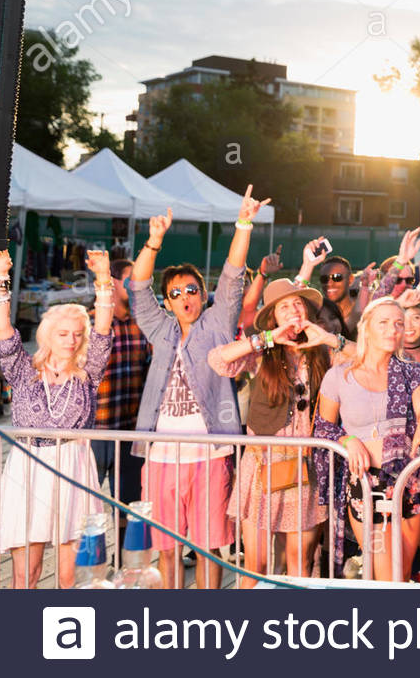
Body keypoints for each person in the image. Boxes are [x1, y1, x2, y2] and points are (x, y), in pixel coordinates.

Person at [129, 187, 268, 589]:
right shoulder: (160, 329)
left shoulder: (216, 323)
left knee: (209, 548)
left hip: (210, 454)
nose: (185, 297)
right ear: (168, 302)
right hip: (160, 457)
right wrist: (153, 242)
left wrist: (243, 223)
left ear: (202, 295)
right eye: (175, 293)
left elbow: (232, 275)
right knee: (167, 548)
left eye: (192, 290)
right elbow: (138, 288)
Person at [207, 278, 351, 585]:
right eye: (284, 306)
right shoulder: (262, 353)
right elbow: (217, 360)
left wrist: (327, 338)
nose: (293, 310)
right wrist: (268, 338)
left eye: (298, 304)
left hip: (306, 468)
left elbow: (367, 358)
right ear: (274, 317)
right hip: (261, 465)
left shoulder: (324, 354)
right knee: (255, 565)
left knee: (301, 562)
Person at [0, 248, 112, 588]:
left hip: (74, 463)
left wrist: (103, 279)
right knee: (25, 574)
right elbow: (3, 330)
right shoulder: (23, 371)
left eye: (77, 334)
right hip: (28, 468)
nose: (71, 340)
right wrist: (1, 277)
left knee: (69, 575)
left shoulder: (88, 373)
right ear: (48, 335)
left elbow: (104, 331)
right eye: (63, 334)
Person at [313, 297, 420, 582]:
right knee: (385, 577)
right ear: (366, 328)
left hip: (409, 479)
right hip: (366, 483)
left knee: (402, 572)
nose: (392, 329)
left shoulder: (412, 371)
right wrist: (348, 441)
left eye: (398, 324)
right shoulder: (338, 376)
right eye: (383, 323)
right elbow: (323, 428)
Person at [92, 258, 150, 514]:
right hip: (94, 430)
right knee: (83, 507)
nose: (137, 287)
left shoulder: (145, 325)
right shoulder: (92, 323)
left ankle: (122, 555)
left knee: (129, 508)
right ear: (113, 283)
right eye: (130, 281)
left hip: (130, 431)